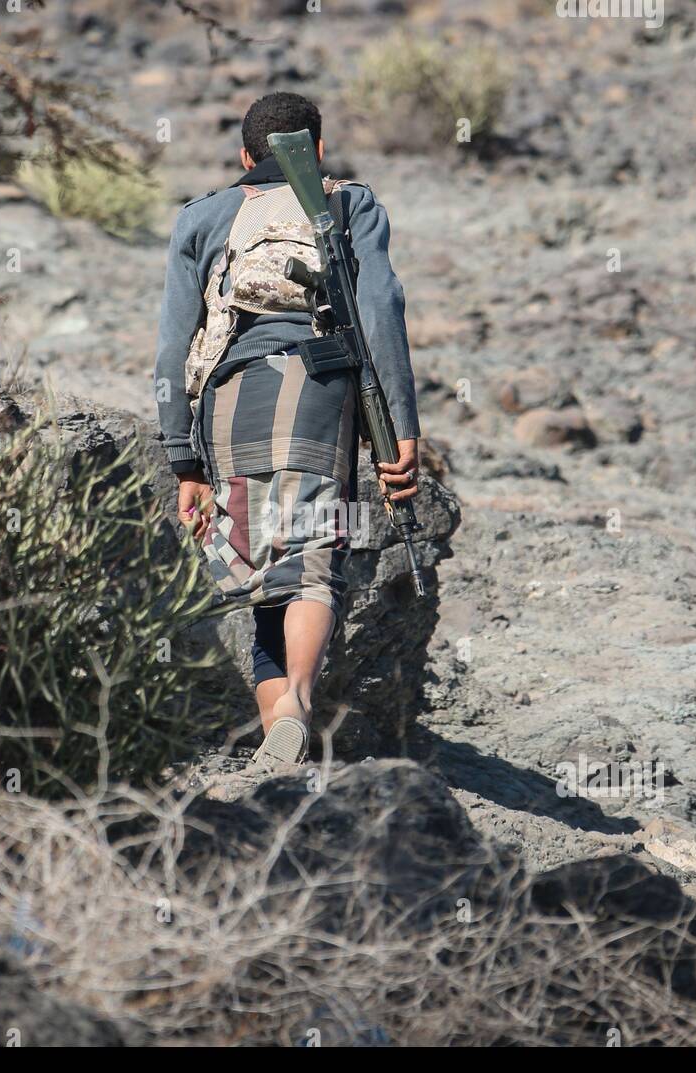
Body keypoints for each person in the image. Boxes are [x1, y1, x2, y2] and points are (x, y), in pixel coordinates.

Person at [153, 91, 420, 763]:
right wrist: (403, 426)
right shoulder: (348, 202)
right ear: (318, 151)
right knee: (309, 566)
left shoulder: (201, 217)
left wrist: (181, 460)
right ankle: (297, 701)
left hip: (224, 405)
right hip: (315, 388)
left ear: (245, 157)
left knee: (259, 579)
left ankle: (278, 739)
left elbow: (170, 348)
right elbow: (381, 305)